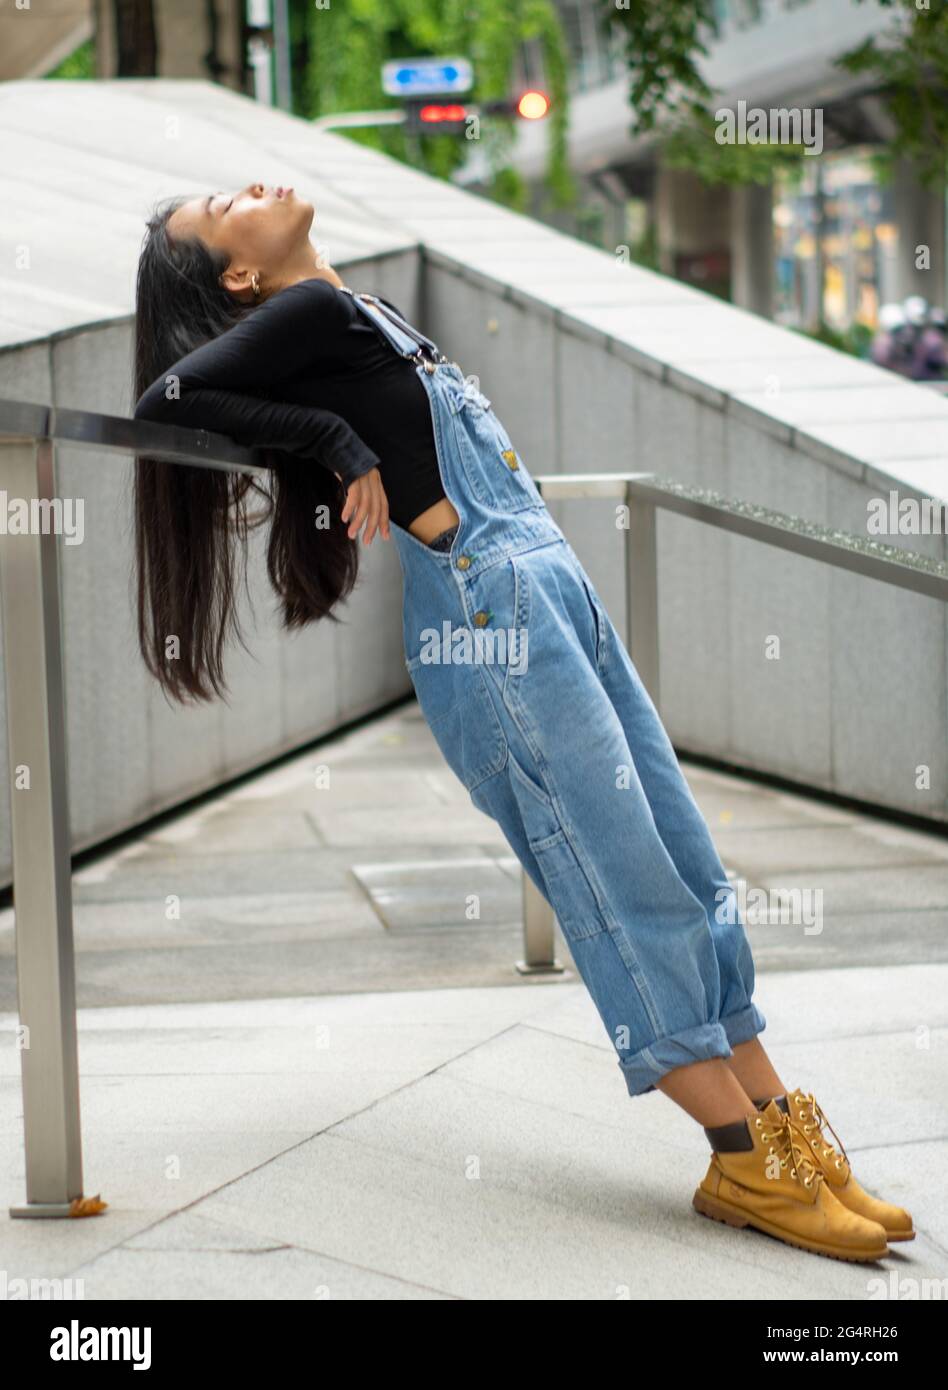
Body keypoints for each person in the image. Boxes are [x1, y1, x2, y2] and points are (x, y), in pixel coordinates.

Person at [133, 181, 913, 1262]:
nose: (251, 189)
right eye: (223, 206)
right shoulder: (305, 318)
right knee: (618, 871)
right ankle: (744, 1161)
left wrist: (336, 434)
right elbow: (162, 398)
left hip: (550, 588)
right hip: (489, 610)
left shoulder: (353, 312)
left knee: (682, 858)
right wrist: (334, 442)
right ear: (239, 276)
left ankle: (788, 1134)